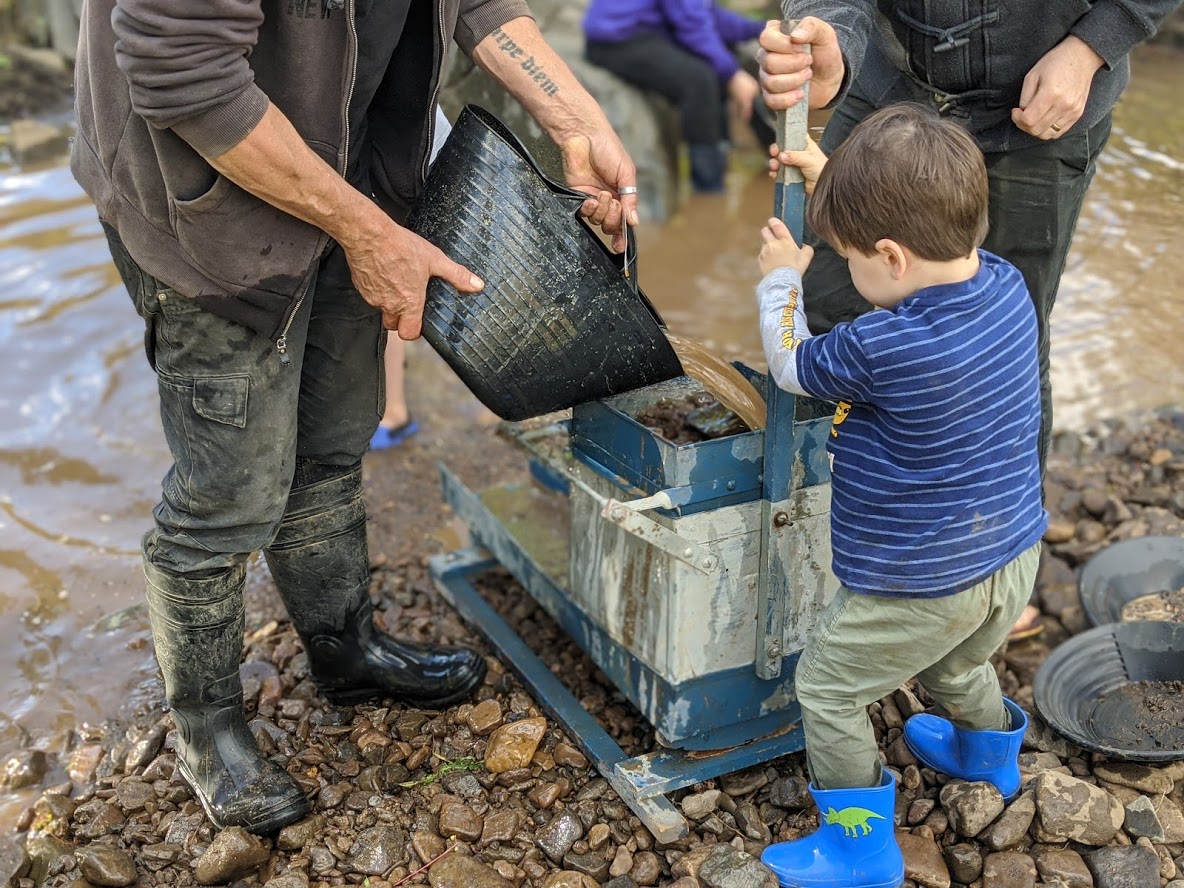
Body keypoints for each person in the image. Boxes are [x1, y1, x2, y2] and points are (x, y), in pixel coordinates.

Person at [73, 0, 642, 835]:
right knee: (229, 488)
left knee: (334, 440)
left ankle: (344, 653)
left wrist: (577, 117)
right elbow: (181, 68)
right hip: (204, 193)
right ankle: (207, 728)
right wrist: (366, 232)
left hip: (360, 158)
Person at [756, 0, 1180, 643]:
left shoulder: (902, 297)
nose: (845, 247)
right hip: (891, 96)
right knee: (862, 311)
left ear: (889, 254)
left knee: (992, 350)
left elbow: (792, 363)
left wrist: (1092, 44)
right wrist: (831, 38)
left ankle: (933, 581)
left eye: (852, 243)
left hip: (1046, 104)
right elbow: (911, 260)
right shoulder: (995, 276)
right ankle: (961, 576)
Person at [752, 104, 1047, 888]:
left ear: (890, 255)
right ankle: (989, 762)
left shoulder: (884, 345)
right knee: (959, 664)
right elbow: (903, 234)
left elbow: (790, 364)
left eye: (847, 255)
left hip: (922, 579)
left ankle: (858, 848)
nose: (841, 268)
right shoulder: (1007, 283)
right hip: (1012, 550)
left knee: (828, 687)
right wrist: (833, 184)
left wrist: (782, 283)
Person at [583, 0, 775, 192]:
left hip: (652, 29)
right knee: (700, 82)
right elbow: (691, 22)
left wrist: (760, 29)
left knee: (725, 60)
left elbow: (707, 14)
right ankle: (708, 188)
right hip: (619, 38)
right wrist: (732, 74)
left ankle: (753, 151)